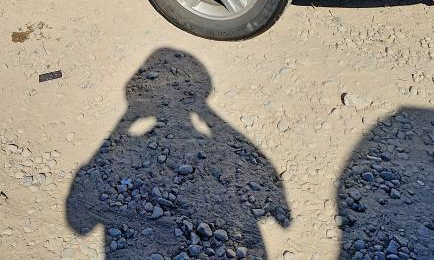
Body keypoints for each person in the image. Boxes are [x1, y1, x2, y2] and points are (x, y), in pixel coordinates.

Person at [66, 48, 291, 259]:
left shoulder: (126, 152)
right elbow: (281, 215)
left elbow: (79, 222)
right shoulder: (211, 148)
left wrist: (125, 122)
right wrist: (205, 113)